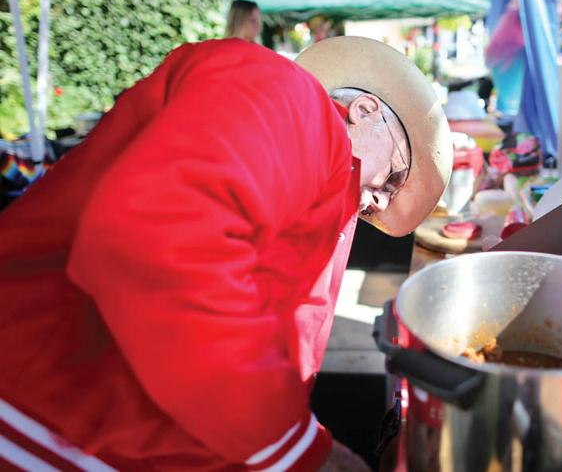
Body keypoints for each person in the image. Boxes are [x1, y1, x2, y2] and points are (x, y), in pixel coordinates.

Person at [0, 36, 452, 470]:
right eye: (392, 179)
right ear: (365, 110)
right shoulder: (283, 93)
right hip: (47, 421)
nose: (378, 204)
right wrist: (290, 446)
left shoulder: (322, 177)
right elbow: (156, 247)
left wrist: (288, 429)